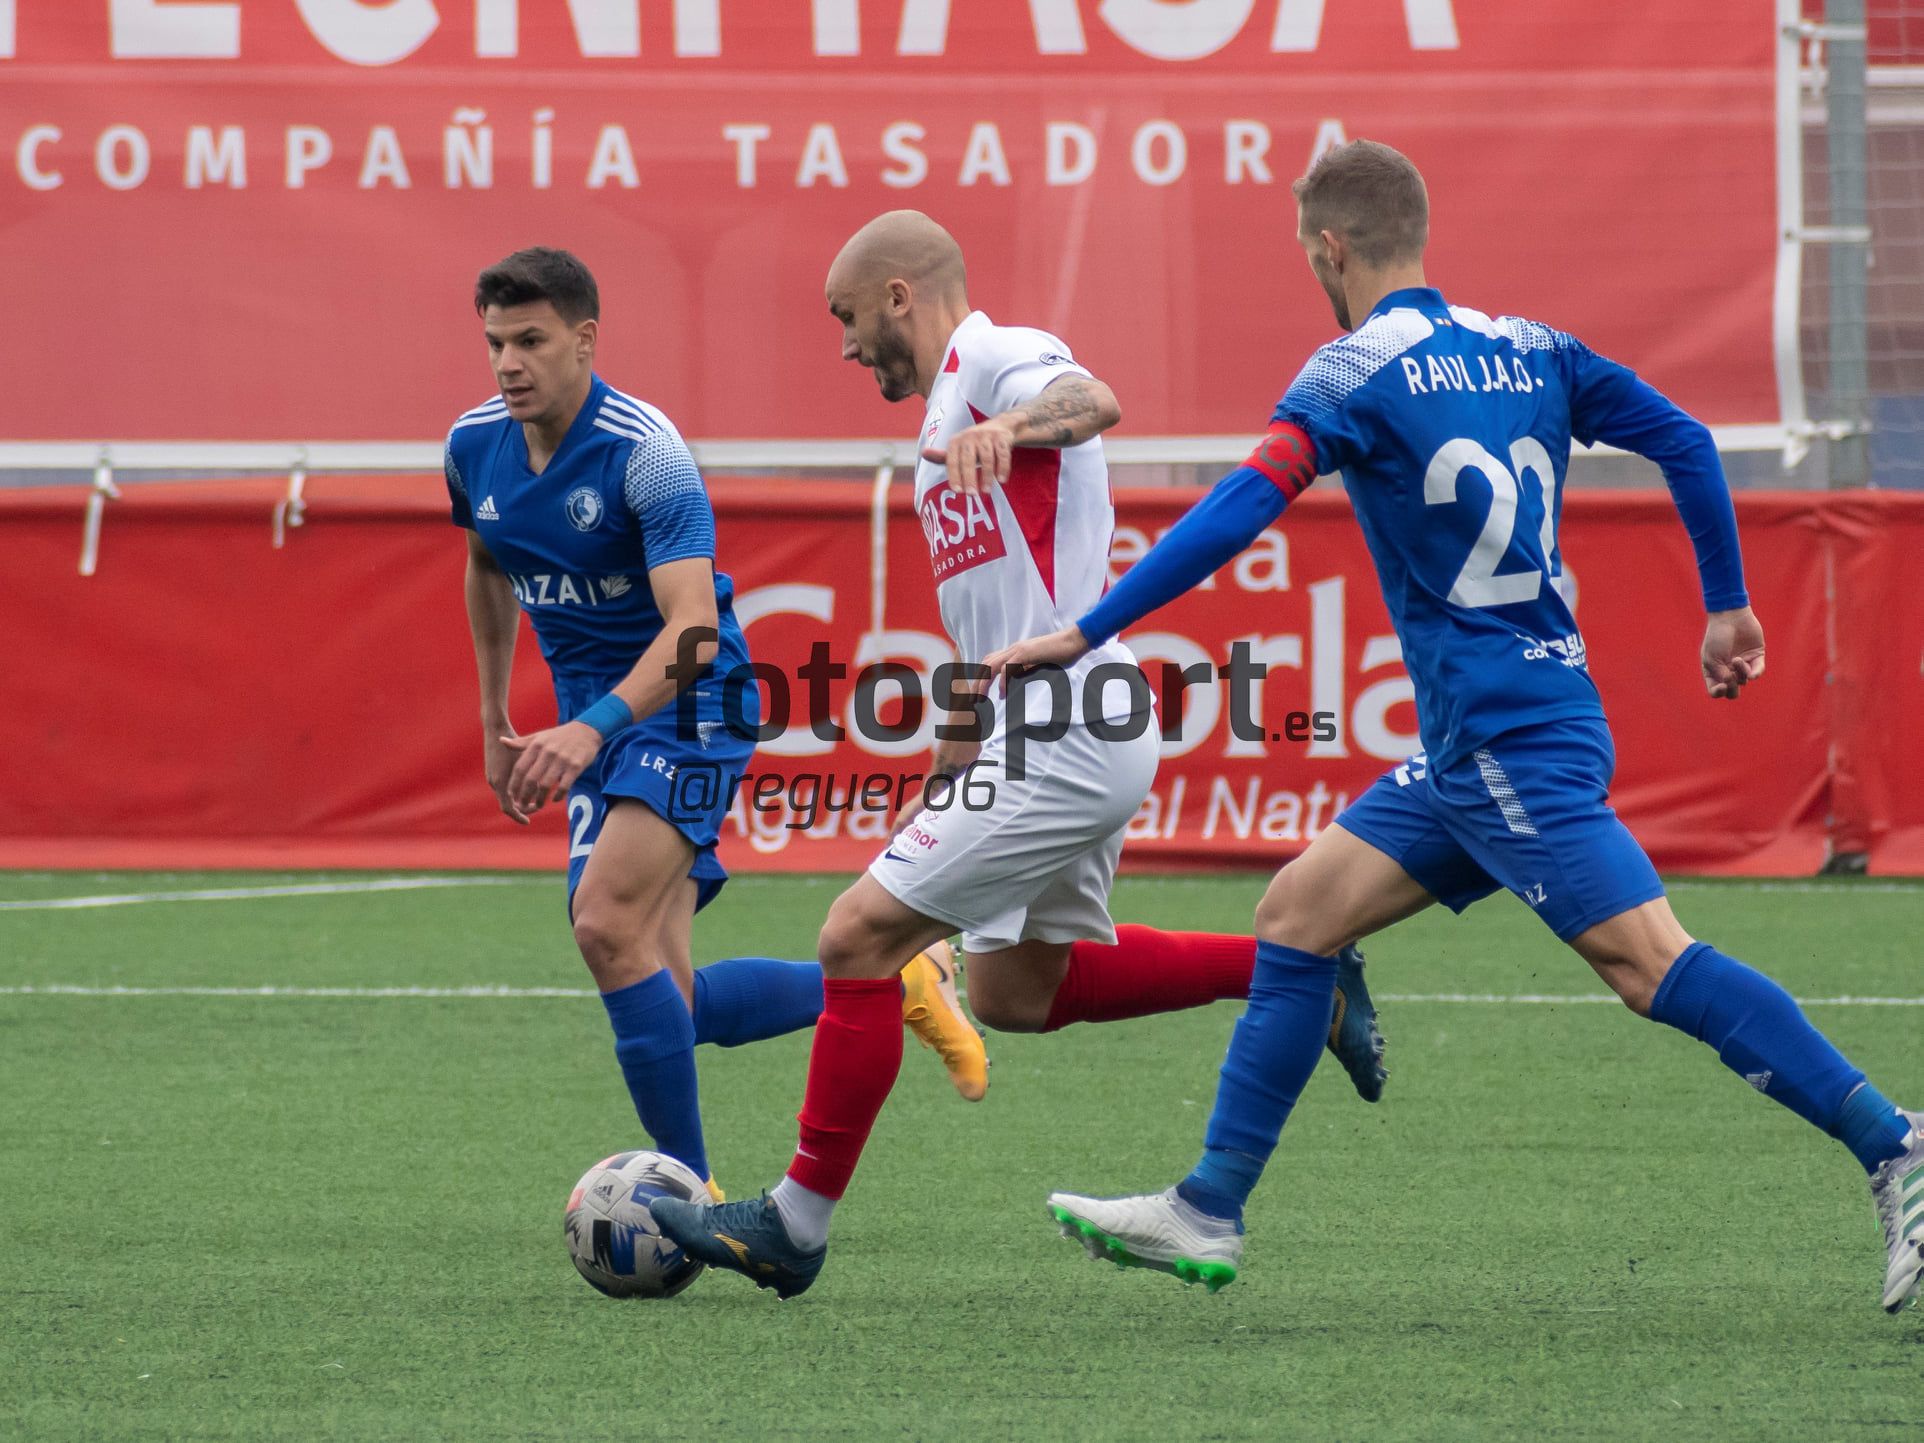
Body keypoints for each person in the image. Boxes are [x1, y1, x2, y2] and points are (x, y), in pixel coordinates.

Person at [980, 141, 1923, 1309]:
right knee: (1298, 914)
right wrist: (1724, 606)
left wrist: (1088, 627)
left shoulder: (1347, 372)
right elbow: (1681, 437)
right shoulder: (1533, 347)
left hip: (1503, 742)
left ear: (1329, 247)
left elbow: (1239, 507)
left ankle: (1893, 1142)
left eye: (1304, 253)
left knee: (1647, 964)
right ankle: (1207, 1207)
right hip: (1500, 731)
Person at [650, 211, 1387, 1298]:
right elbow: (983, 631)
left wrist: (1022, 427)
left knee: (856, 937)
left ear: (900, 294)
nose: (846, 347)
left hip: (1072, 721)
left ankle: (794, 1225)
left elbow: (1095, 401)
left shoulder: (991, 357)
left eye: (847, 319)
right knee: (1012, 991)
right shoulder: (934, 428)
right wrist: (947, 767)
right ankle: (1302, 975)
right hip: (1039, 724)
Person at [444, 247, 985, 1201]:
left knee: (606, 925)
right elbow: (488, 565)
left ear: (584, 339)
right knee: (670, 996)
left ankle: (686, 1196)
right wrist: (496, 713)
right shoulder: (472, 445)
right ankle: (903, 978)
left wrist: (589, 731)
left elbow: (693, 631)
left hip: (694, 700)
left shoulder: (644, 452)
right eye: (494, 343)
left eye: (530, 340)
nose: (508, 363)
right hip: (595, 717)